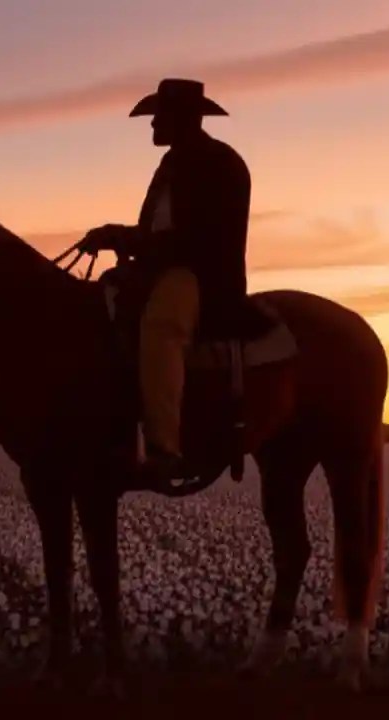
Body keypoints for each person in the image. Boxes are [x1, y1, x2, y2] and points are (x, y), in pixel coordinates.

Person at [78, 78, 251, 489]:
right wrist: (119, 235)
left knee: (160, 329)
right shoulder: (172, 163)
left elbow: (194, 239)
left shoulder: (220, 163)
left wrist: (124, 238)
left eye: (159, 117)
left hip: (201, 273)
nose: (153, 124)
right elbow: (155, 229)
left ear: (182, 119)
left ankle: (163, 449)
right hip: (163, 265)